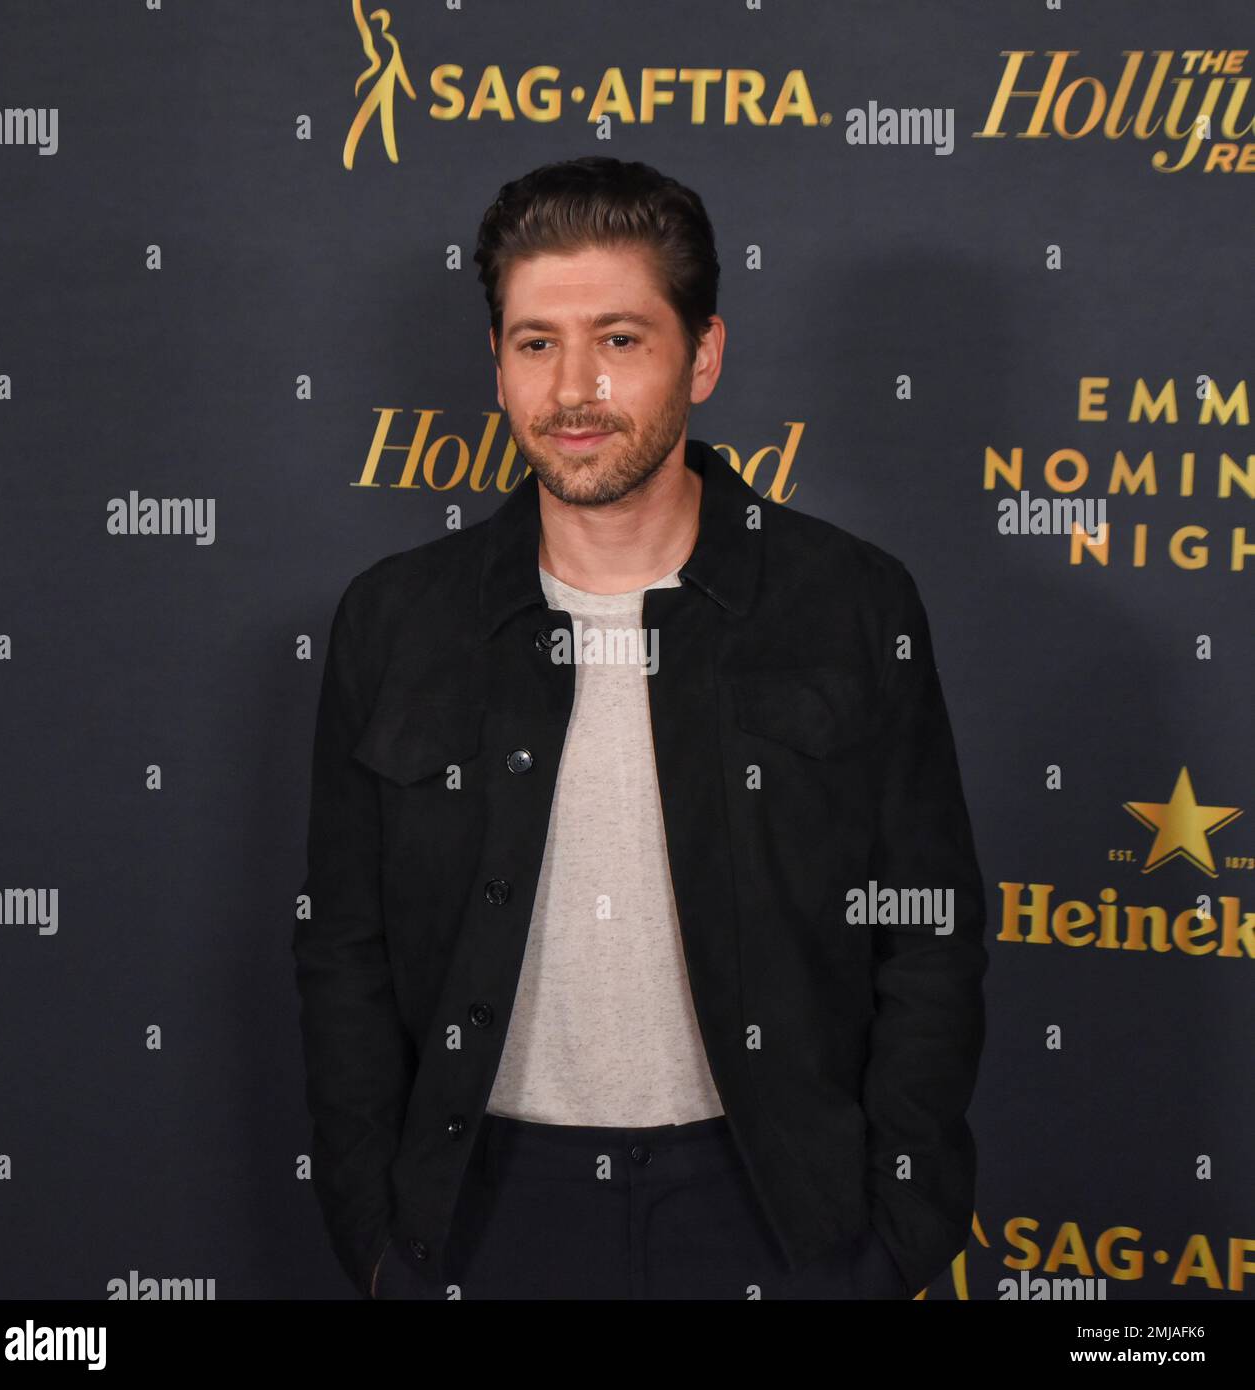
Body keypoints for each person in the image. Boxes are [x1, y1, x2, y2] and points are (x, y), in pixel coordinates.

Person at [293, 155, 988, 1301]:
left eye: (618, 339)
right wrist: (376, 1228)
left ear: (702, 354)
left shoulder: (850, 603)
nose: (572, 389)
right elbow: (343, 949)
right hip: (480, 1214)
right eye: (535, 342)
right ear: (498, 361)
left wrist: (896, 1232)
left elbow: (930, 931)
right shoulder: (394, 619)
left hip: (776, 1208)